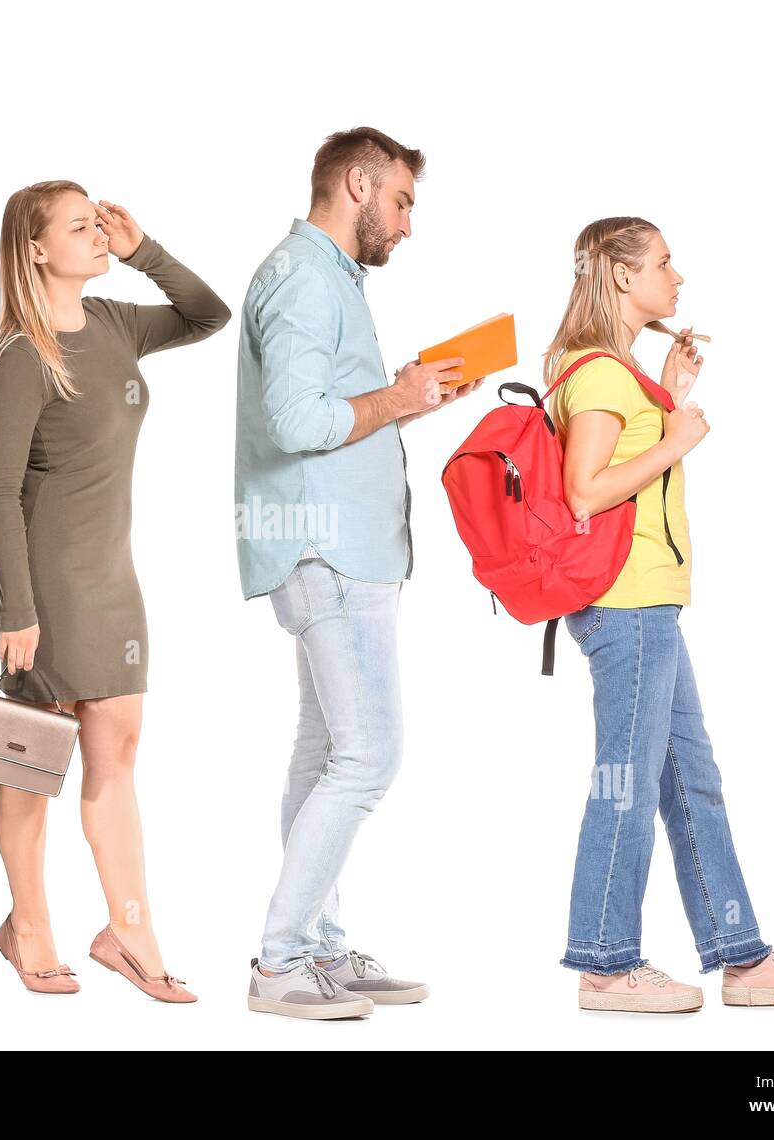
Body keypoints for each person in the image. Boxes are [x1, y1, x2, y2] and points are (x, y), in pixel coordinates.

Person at [549, 216, 774, 1012]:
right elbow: (584, 491)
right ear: (619, 275)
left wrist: (670, 398)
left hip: (649, 607)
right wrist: (677, 438)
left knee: (691, 783)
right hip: (627, 604)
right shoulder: (602, 373)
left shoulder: (619, 372)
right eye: (663, 263)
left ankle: (742, 958)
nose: (677, 279)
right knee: (626, 782)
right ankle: (607, 964)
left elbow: (616, 468)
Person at [235, 127, 482, 1019]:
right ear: (356, 183)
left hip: (332, 544)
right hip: (329, 552)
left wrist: (407, 403)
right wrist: (401, 397)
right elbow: (299, 422)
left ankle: (320, 949)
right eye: (403, 201)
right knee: (370, 756)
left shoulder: (325, 278)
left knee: (325, 754)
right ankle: (279, 963)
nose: (409, 224)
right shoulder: (305, 278)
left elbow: (328, 420)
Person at [0, 181, 230, 1002]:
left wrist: (142, 248)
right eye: (80, 227)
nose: (98, 234)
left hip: (113, 578)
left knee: (117, 749)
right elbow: (2, 495)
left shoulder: (119, 322)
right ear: (37, 249)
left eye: (101, 222)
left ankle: (127, 930)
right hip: (45, 582)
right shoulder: (23, 355)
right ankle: (30, 927)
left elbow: (207, 315)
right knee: (33, 756)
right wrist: (16, 608)